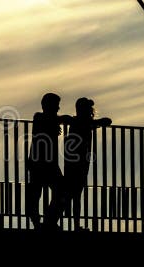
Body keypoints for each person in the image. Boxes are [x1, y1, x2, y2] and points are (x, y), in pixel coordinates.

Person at [44, 97, 111, 231]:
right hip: (77, 163)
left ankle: (61, 222)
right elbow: (107, 121)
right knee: (72, 194)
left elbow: (107, 121)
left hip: (77, 162)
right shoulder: (83, 122)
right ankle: (58, 222)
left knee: (71, 194)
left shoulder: (80, 122)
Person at [26, 93, 70, 230]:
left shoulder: (51, 119)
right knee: (35, 194)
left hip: (48, 164)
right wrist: (60, 120)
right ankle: (39, 223)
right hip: (39, 163)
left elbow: (58, 119)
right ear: (48, 105)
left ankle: (48, 222)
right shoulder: (39, 117)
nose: (58, 108)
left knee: (61, 191)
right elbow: (51, 119)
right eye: (56, 105)